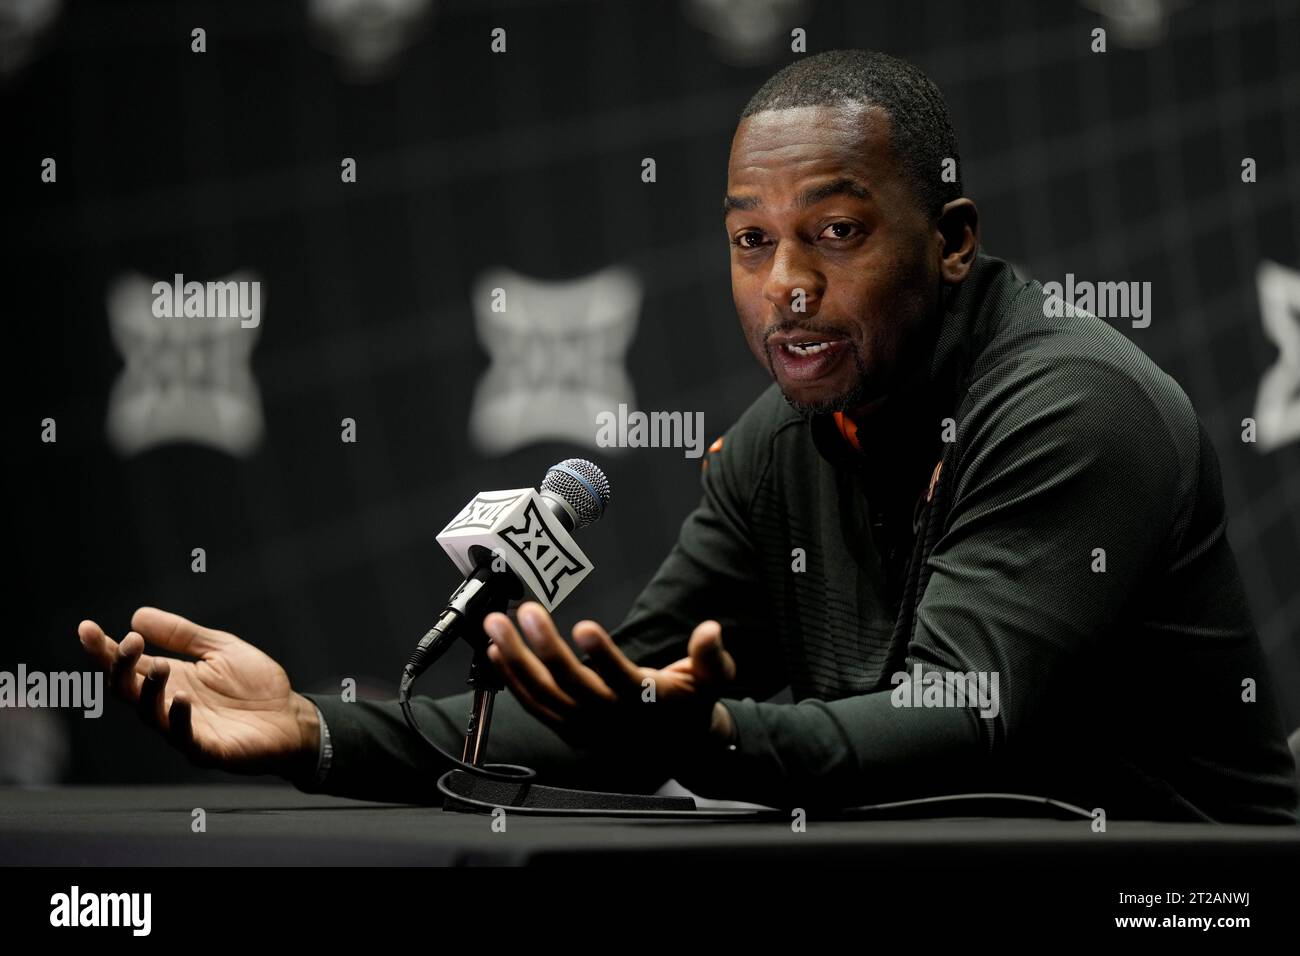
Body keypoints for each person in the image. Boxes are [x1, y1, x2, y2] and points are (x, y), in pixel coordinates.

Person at [76, 49, 1299, 823]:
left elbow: (950, 717)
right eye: (750, 241)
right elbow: (614, 705)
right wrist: (317, 727)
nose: (786, 287)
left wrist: (705, 733)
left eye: (834, 233)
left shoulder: (1073, 406)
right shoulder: (779, 441)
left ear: (954, 239)